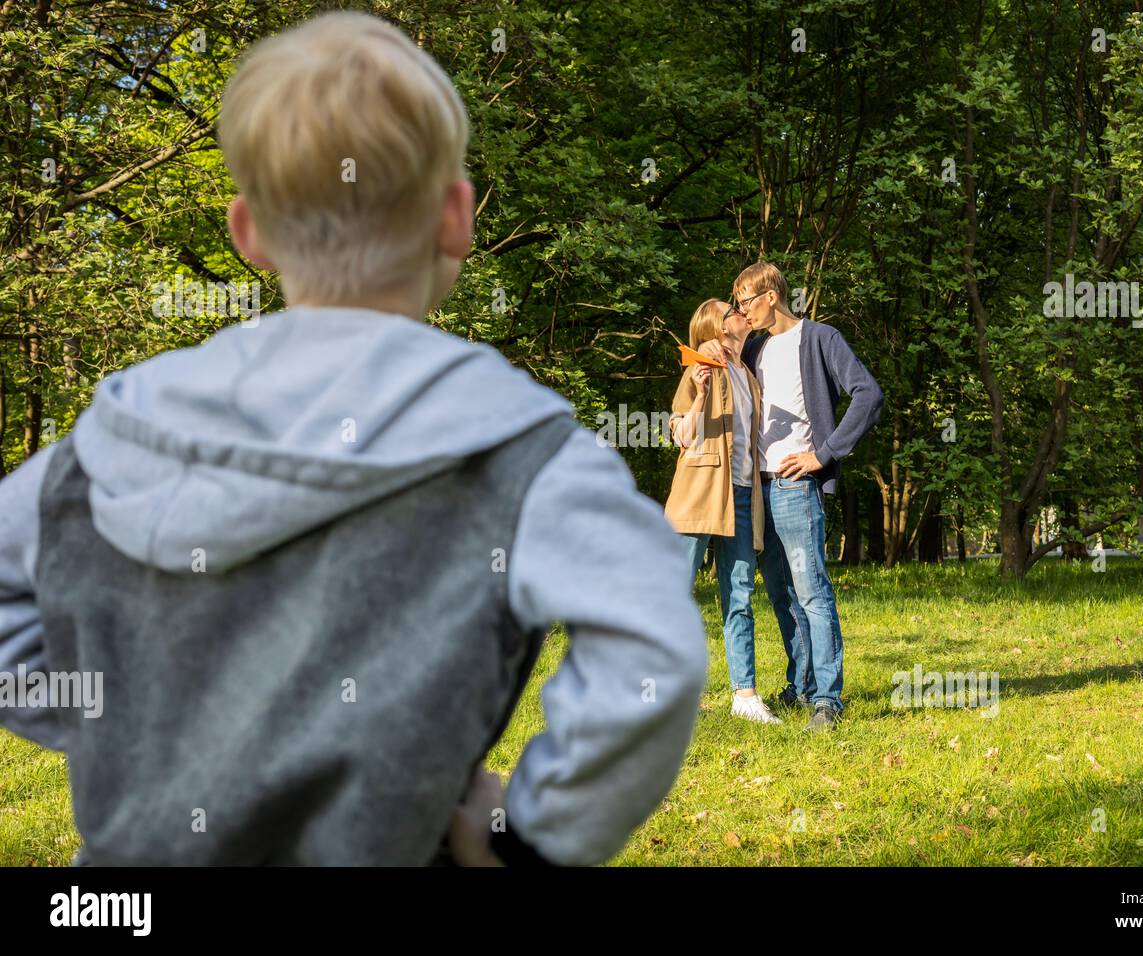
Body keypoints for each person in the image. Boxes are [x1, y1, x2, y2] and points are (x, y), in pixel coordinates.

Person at [0, 10, 707, 866]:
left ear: (248, 231)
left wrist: (127, 730)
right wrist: (529, 839)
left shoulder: (115, 440)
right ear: (458, 217)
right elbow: (653, 652)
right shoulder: (517, 447)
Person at [700, 263, 883, 732]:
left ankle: (827, 700)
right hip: (754, 488)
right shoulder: (755, 347)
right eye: (737, 303)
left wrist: (824, 454)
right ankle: (800, 687)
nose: (741, 310)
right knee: (781, 595)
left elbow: (868, 394)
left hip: (795, 487)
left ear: (771, 297)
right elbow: (714, 352)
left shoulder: (820, 339)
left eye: (745, 301)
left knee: (812, 591)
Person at [664, 299, 780, 725]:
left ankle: (745, 695)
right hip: (700, 491)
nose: (740, 311)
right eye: (733, 308)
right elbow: (680, 433)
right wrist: (699, 399)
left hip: (744, 494)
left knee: (740, 594)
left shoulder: (747, 373)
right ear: (718, 324)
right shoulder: (700, 368)